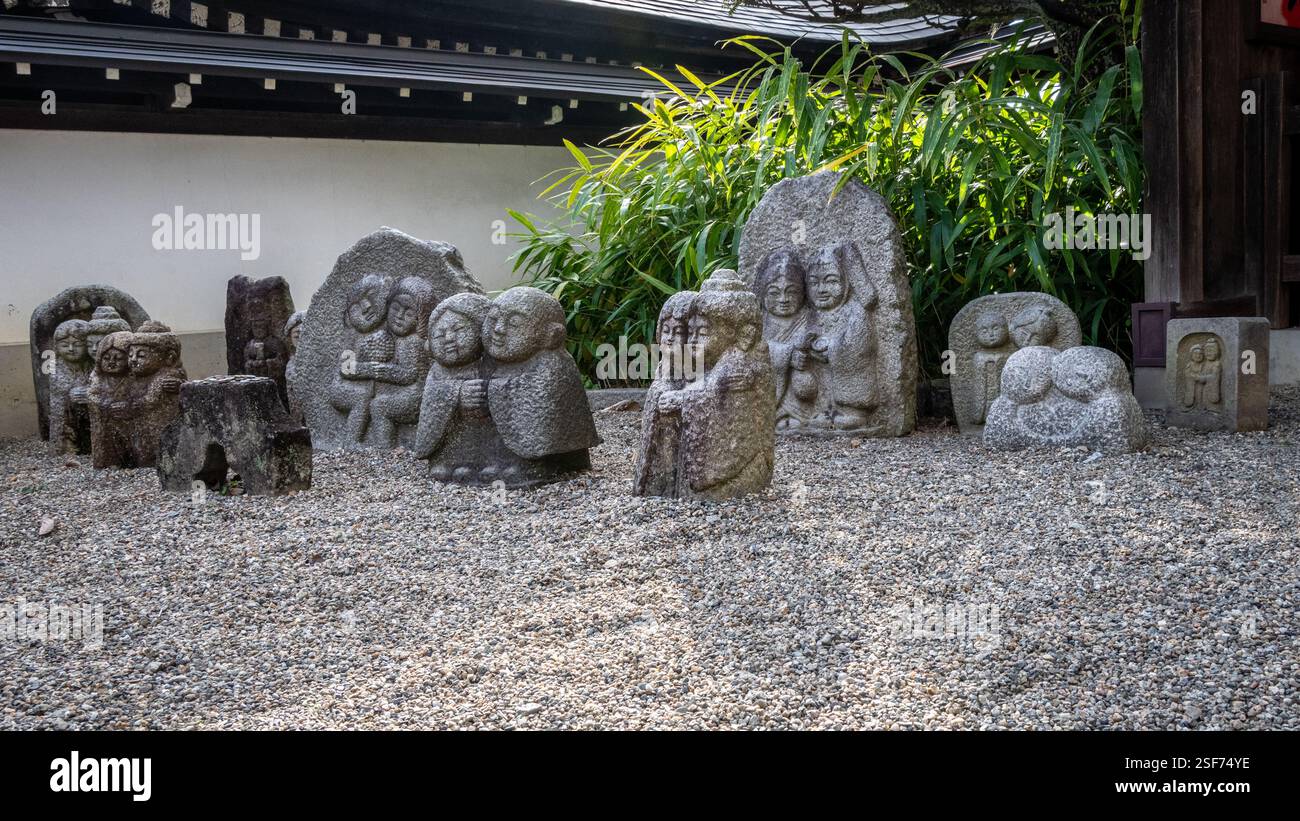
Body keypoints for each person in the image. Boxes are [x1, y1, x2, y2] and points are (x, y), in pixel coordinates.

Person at [481, 287, 601, 487]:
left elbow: (536, 408)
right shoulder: (493, 363)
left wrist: (491, 388)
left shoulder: (552, 364)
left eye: (514, 323)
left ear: (550, 336)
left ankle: (536, 462)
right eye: (493, 318)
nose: (499, 328)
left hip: (547, 439)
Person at [413, 292, 495, 482]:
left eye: (458, 329)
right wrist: (456, 394)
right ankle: (449, 462)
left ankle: (491, 462)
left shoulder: (491, 364)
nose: (449, 338)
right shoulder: (438, 371)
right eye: (440, 334)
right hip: (455, 442)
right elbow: (431, 401)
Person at [803, 241, 877, 431]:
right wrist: (812, 345)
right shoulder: (813, 314)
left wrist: (832, 346)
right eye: (814, 282)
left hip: (852, 373)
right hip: (825, 376)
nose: (821, 289)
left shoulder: (855, 310)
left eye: (831, 281)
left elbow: (858, 345)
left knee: (850, 360)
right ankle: (828, 409)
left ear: (845, 282)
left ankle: (855, 412)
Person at [753, 248, 821, 430]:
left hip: (798, 395)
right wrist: (789, 354)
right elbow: (753, 349)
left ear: (803, 293)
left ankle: (790, 414)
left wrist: (807, 354)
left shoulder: (808, 319)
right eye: (774, 292)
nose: (783, 299)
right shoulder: (758, 320)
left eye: (791, 292)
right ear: (763, 293)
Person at [328, 274, 394, 444]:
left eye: (371, 295)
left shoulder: (394, 327)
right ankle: (351, 442)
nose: (366, 307)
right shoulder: (352, 337)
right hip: (344, 388)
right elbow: (346, 368)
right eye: (356, 306)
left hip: (378, 388)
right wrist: (371, 369)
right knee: (361, 396)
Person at [370, 277, 435, 448]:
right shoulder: (395, 339)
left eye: (408, 313)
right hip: (405, 393)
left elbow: (409, 374)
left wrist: (379, 370)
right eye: (396, 308)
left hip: (416, 396)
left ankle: (384, 450)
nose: (399, 316)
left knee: (379, 406)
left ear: (421, 319)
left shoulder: (412, 341)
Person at [48, 319, 93, 455]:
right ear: (56, 346)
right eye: (65, 345)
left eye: (78, 344)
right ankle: (65, 447)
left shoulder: (93, 366)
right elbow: (58, 402)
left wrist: (90, 393)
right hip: (67, 419)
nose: (71, 349)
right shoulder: (54, 367)